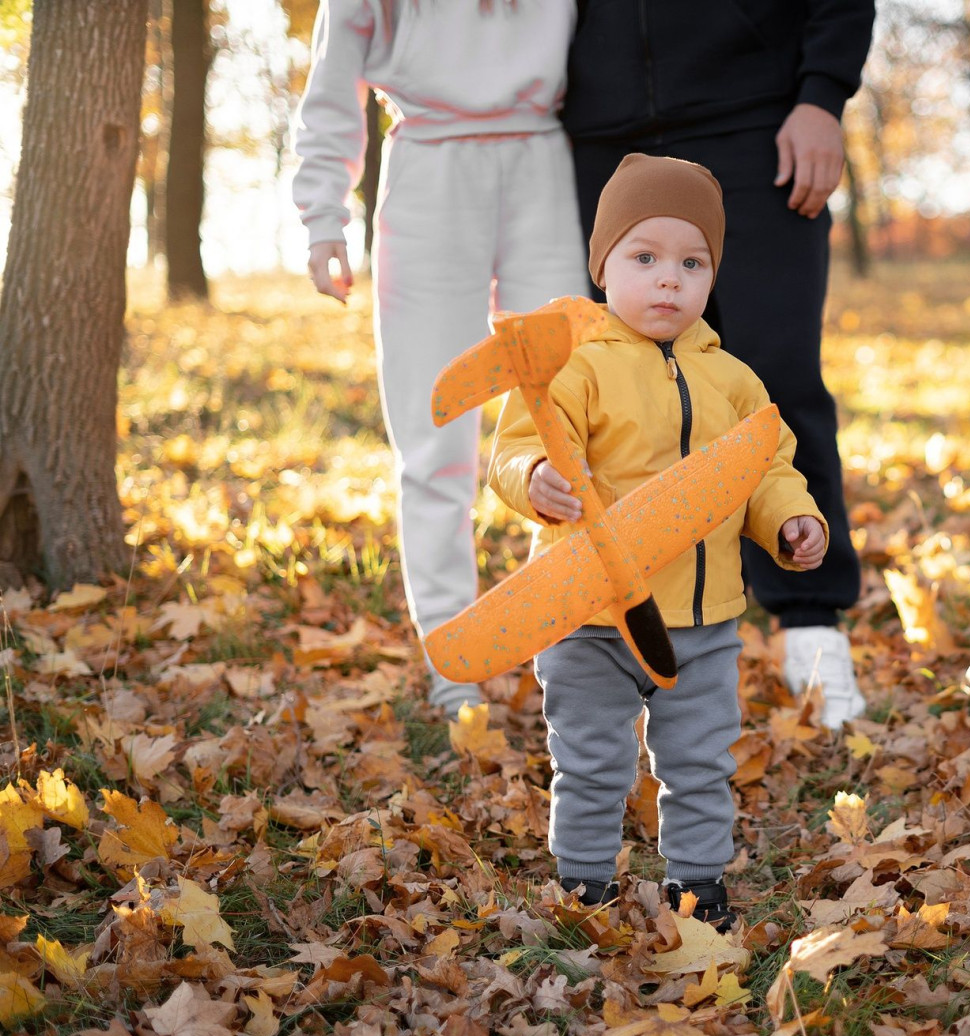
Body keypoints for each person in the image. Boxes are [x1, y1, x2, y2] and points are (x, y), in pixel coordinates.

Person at [489, 155, 826, 924]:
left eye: (691, 261)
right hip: (589, 616)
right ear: (604, 266)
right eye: (644, 258)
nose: (668, 279)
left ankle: (698, 886)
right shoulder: (574, 370)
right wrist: (535, 476)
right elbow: (513, 446)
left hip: (702, 624)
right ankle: (583, 882)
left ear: (713, 274)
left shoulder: (735, 383)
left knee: (699, 762)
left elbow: (768, 468)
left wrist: (789, 519)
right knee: (593, 761)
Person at [563, 1, 874, 730]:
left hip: (756, 119)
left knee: (776, 379)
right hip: (596, 138)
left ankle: (811, 624)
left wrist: (822, 95)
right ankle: (643, 640)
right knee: (626, 396)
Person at [291, 0, 587, 716]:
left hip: (545, 161)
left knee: (577, 417)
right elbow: (333, 85)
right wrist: (321, 215)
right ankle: (452, 659)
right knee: (433, 436)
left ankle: (576, 646)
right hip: (426, 167)